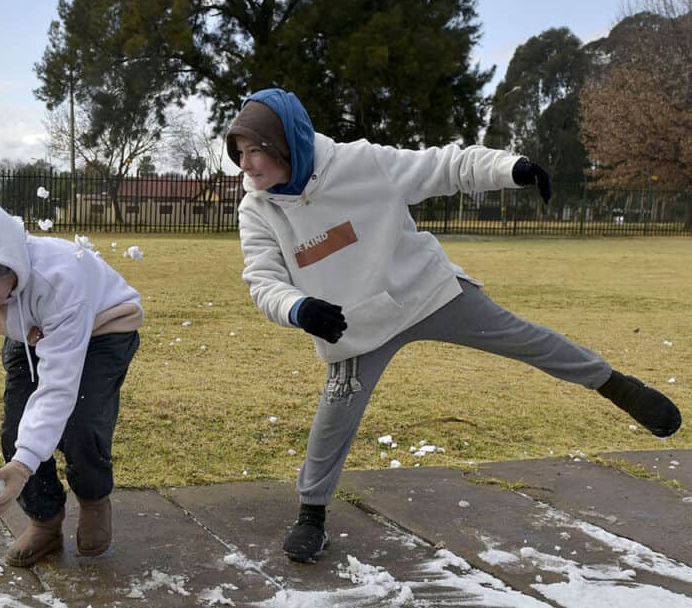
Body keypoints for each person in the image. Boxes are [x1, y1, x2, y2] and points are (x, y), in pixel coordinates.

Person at [226, 87, 682, 563]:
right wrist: (299, 308)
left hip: (428, 292)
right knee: (334, 415)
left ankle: (617, 386)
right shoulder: (257, 210)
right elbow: (263, 280)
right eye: (240, 152)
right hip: (354, 325)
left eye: (257, 149)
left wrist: (512, 168)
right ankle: (311, 517)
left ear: (288, 143)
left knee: (523, 338)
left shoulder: (360, 164)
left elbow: (447, 166)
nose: (248, 164)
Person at [0, 185, 144, 567]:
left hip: (103, 330)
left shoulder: (58, 279)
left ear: (11, 267)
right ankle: (45, 520)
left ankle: (93, 500)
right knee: (15, 429)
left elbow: (59, 385)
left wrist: (24, 466)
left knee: (82, 424)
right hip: (33, 332)